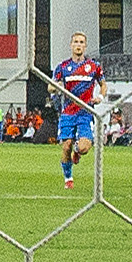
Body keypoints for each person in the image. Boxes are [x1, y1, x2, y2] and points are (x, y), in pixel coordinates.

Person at [51, 32, 103, 189]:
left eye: (81, 42)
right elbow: (50, 86)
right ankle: (68, 178)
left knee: (84, 148)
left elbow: (103, 84)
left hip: (85, 113)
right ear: (71, 45)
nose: (78, 44)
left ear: (85, 45)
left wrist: (100, 96)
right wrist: (56, 87)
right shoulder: (63, 67)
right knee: (65, 146)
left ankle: (78, 152)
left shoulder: (93, 67)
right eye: (76, 42)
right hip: (67, 112)